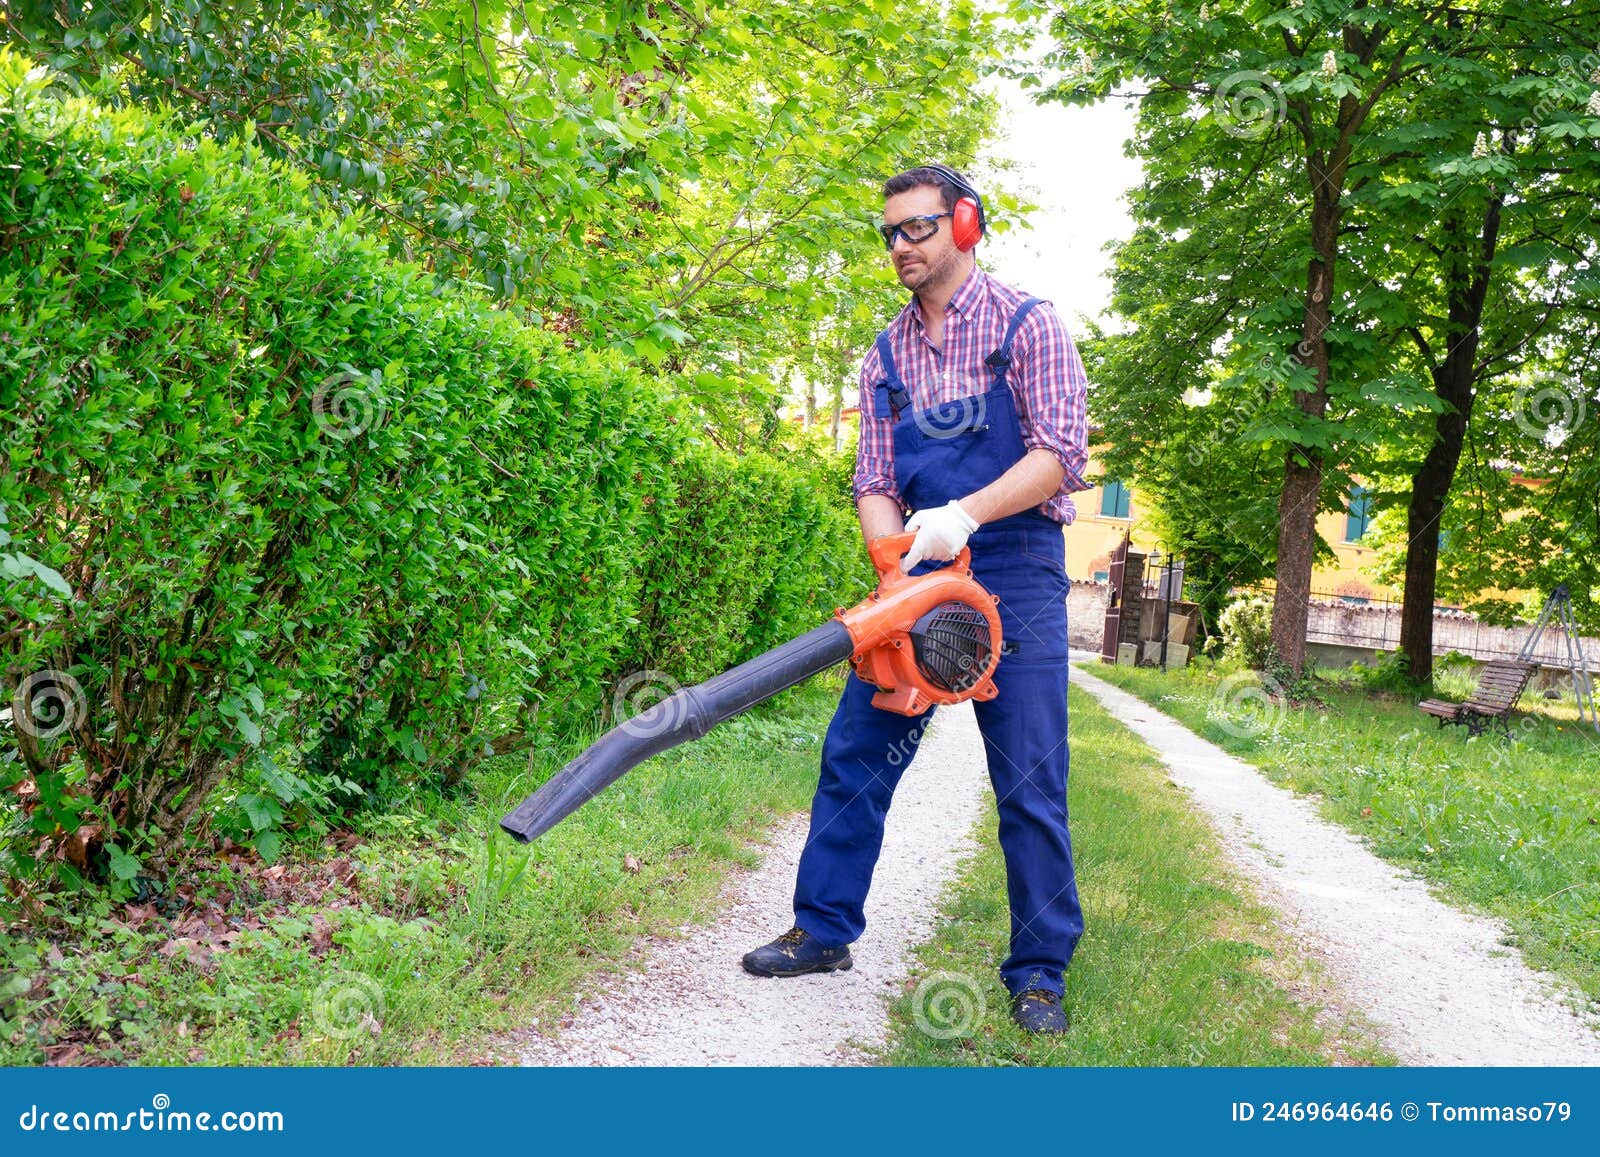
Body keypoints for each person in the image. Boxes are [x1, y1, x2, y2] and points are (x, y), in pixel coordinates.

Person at [740, 164, 1092, 1035]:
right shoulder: (885, 355)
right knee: (858, 749)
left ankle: (1039, 970)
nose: (901, 246)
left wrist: (965, 515)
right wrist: (895, 557)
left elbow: (1060, 454)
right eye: (890, 233)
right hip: (918, 576)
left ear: (966, 225)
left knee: (1030, 775)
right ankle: (823, 928)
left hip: (1014, 567)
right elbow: (873, 477)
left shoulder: (1028, 326)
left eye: (918, 228)